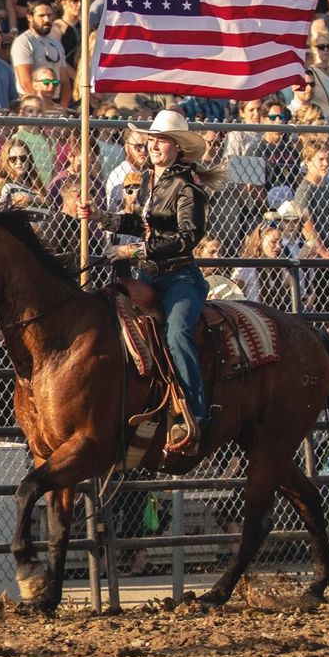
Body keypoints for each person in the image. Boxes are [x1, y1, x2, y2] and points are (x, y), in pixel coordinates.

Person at [89, 109, 214, 452]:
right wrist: (103, 217)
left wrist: (133, 251)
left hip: (180, 278)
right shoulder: (147, 180)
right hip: (146, 276)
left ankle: (195, 413)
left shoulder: (188, 187)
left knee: (177, 333)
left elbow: (188, 237)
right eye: (152, 140)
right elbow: (141, 224)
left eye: (162, 141)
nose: (154, 146)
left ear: (177, 147)